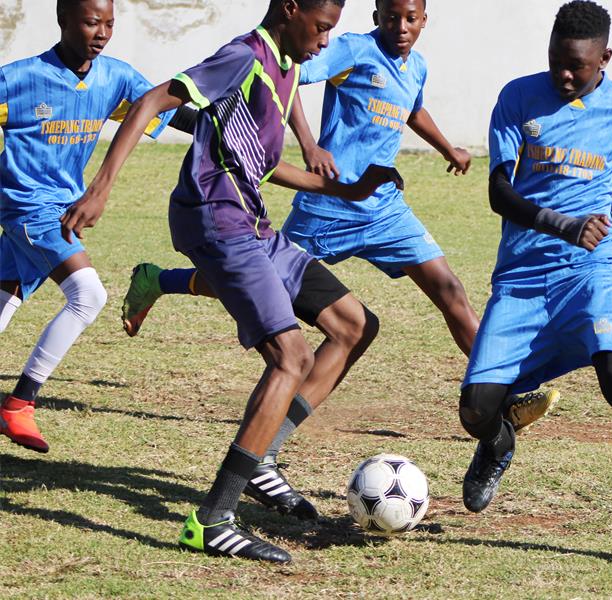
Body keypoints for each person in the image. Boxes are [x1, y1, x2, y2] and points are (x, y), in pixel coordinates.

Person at [117, 0, 560, 518]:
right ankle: (163, 284)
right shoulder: (335, 50)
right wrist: (309, 144)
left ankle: (503, 391)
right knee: (256, 297)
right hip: (324, 208)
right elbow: (293, 75)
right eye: (391, 17)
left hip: (380, 207)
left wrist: (445, 149)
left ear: (424, 19)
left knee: (440, 294)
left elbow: (411, 106)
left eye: (411, 18)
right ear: (375, 16)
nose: (401, 27)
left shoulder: (414, 65)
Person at [65, 0, 409, 562]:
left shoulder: (287, 65)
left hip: (253, 222)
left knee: (353, 325)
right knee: (290, 357)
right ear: (291, 10)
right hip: (215, 219)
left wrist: (344, 192)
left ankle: (263, 459)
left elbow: (263, 165)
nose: (325, 42)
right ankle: (212, 519)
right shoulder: (242, 57)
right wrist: (101, 186)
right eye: (321, 28)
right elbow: (153, 99)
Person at [458, 0, 612, 567]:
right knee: (475, 409)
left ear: (604, 58)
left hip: (592, 272)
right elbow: (499, 192)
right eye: (556, 60)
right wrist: (562, 225)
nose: (564, 74)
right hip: (521, 276)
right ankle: (499, 440)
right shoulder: (518, 96)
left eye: (578, 66)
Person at [0, 0, 195, 454]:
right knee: (88, 295)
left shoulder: (116, 78)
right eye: (92, 21)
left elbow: (163, 109)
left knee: (5, 294)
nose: (102, 32)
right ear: (64, 18)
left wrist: (221, 126)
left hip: (59, 208)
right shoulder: (19, 79)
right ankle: (19, 404)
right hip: (28, 209)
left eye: (109, 22)